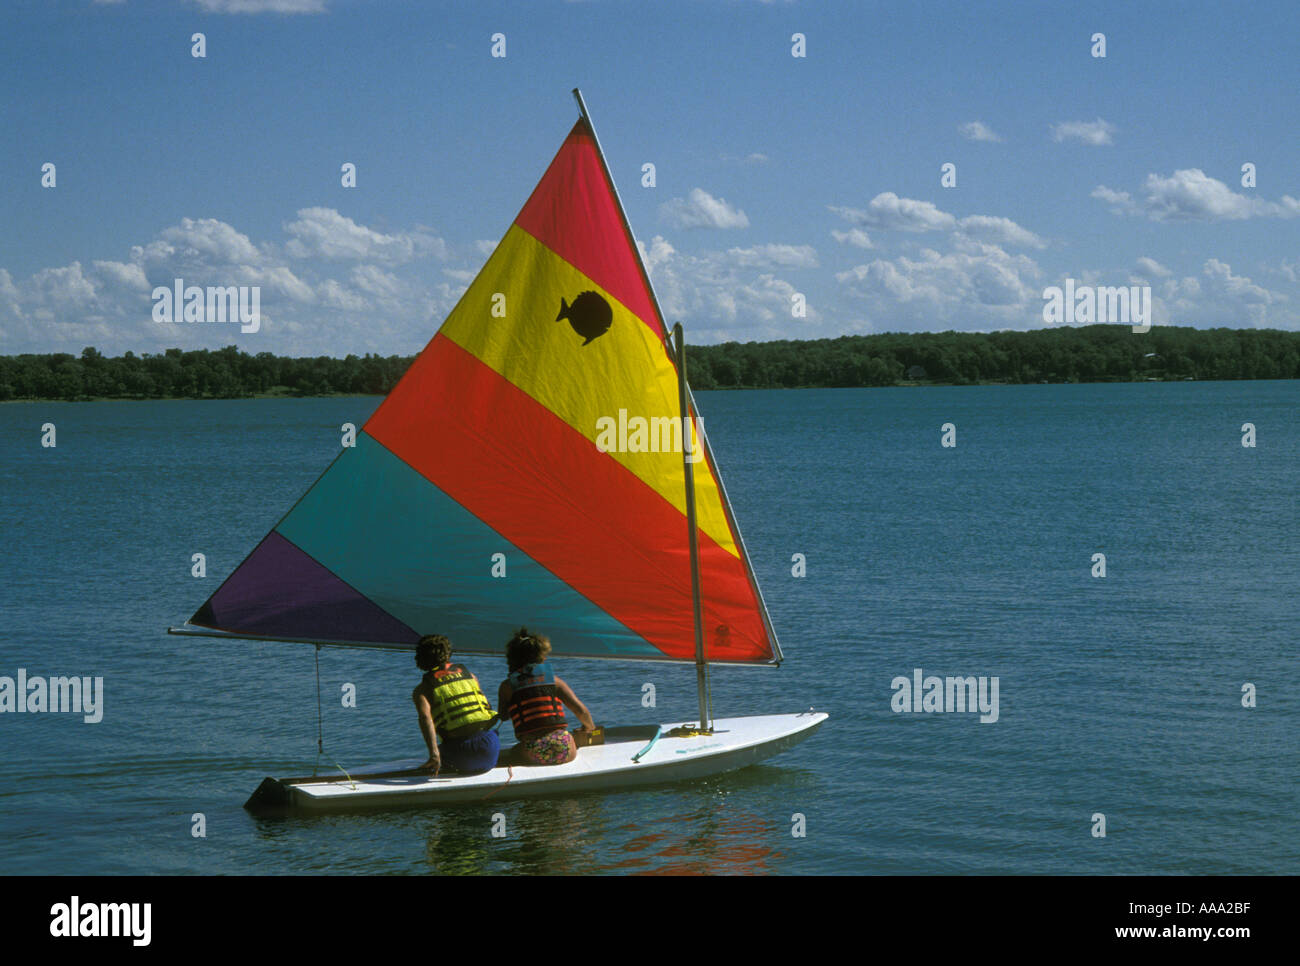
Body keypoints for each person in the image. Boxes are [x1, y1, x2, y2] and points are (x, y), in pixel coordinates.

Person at [498, 627, 594, 766]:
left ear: (511, 658)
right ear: (540, 657)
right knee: (568, 737)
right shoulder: (555, 681)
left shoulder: (507, 686)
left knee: (513, 752)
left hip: (534, 752)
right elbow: (581, 711)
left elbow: (504, 716)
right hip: (565, 749)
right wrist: (589, 728)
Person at [411, 634, 499, 775]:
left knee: (444, 751)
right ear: (448, 654)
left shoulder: (422, 690)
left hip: (461, 755)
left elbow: (425, 719)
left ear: (421, 658)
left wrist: (435, 754)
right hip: (490, 747)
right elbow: (487, 707)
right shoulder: (471, 676)